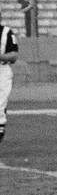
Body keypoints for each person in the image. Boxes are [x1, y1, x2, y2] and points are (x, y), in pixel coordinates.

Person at [0, 14, 17, 145]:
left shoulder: (6, 32)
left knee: (0, 104)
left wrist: (1, 56)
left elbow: (14, 55)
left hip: (2, 69)